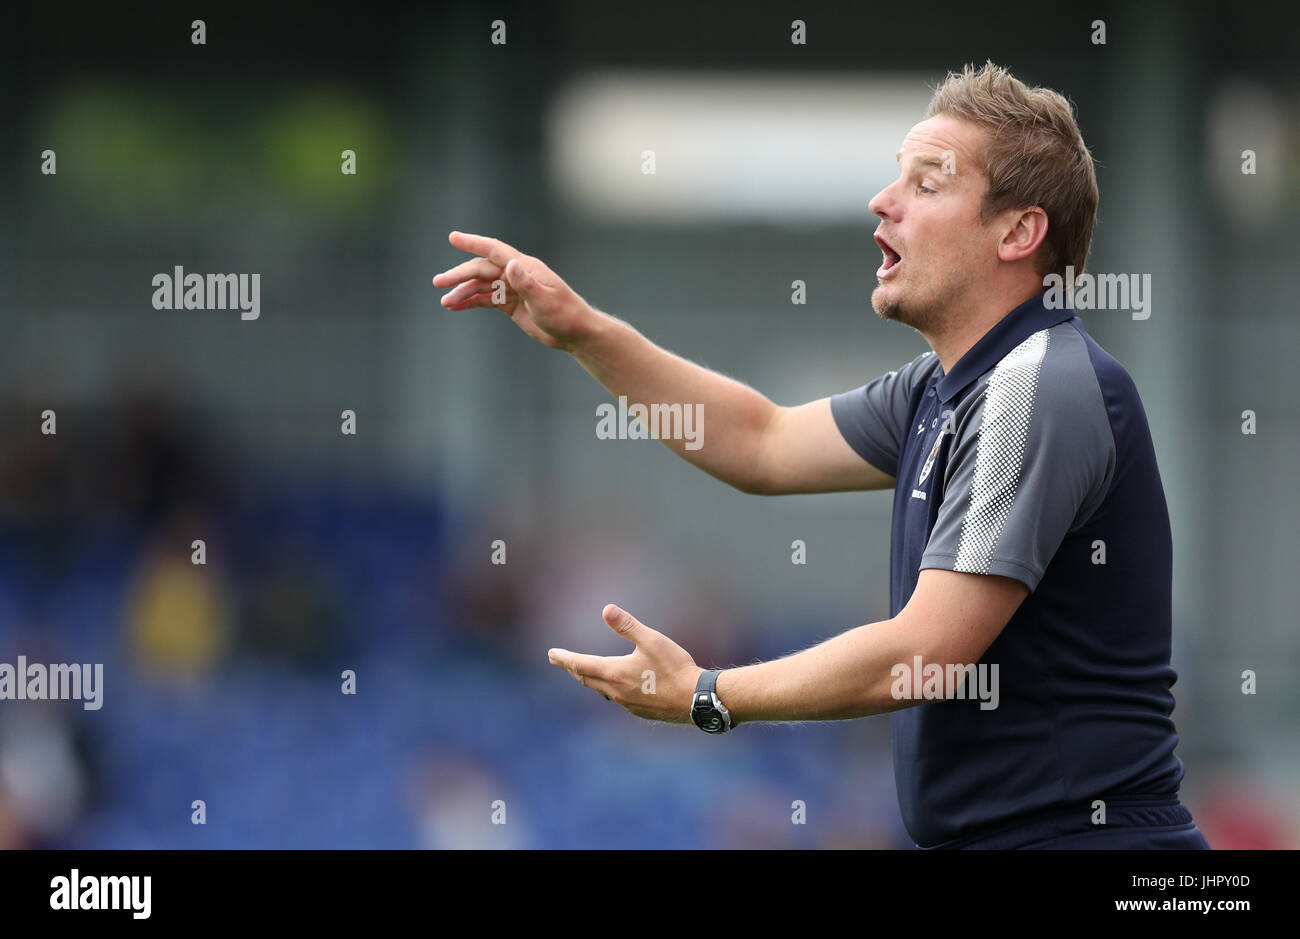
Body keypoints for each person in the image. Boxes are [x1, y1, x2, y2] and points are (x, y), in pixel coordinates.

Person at [432, 62, 1209, 850]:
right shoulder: (943, 388)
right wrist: (585, 333)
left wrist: (708, 693)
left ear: (1018, 233)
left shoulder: (1034, 385)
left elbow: (925, 652)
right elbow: (760, 443)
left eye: (928, 184)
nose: (884, 200)